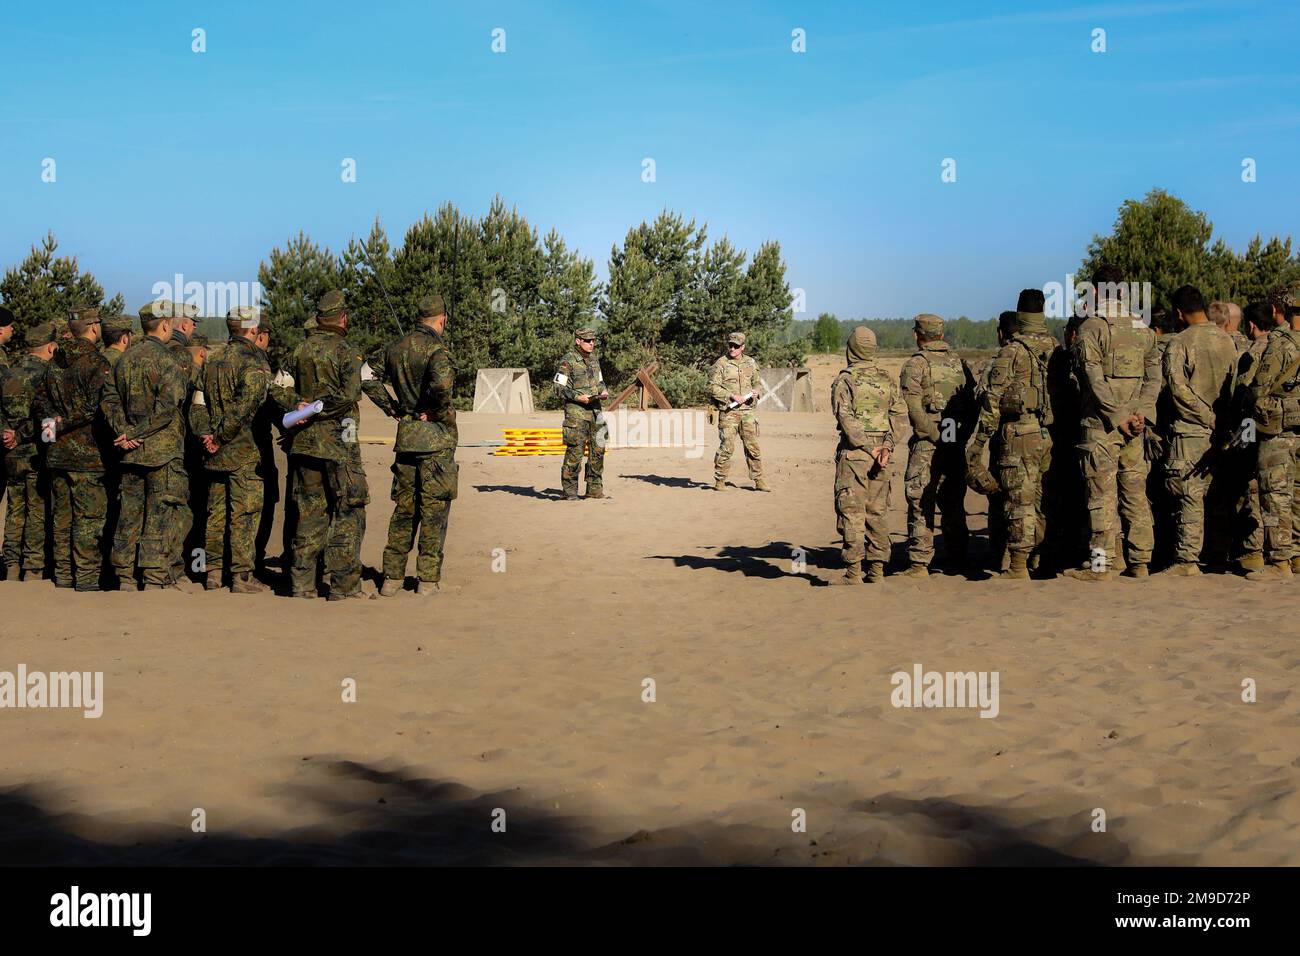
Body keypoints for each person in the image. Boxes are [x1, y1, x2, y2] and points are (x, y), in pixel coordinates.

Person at [1065, 264, 1160, 580]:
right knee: (1134, 492)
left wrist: (1118, 417)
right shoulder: (1142, 329)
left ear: (1094, 292)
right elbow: (1153, 378)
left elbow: (1092, 379)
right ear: (1122, 292)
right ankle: (1140, 561)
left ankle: (1100, 565)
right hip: (1135, 426)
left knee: (1100, 498)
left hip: (1101, 427)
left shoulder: (1092, 328)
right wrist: (1141, 414)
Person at [274, 290, 369, 600]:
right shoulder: (347, 351)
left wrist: (297, 406)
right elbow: (350, 394)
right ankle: (343, 585)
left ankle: (302, 584)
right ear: (342, 318)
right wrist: (317, 408)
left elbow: (276, 388)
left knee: (309, 514)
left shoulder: (298, 350)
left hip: (304, 444)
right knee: (348, 512)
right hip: (340, 442)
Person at [364, 293, 457, 596]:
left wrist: (391, 407)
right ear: (441, 320)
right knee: (433, 510)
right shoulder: (437, 350)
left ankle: (391, 577)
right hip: (435, 440)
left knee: (404, 509)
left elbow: (366, 376)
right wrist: (438, 414)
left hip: (406, 439)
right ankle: (427, 580)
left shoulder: (395, 348)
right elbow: (442, 386)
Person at [966, 290, 1061, 579]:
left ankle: (1018, 565)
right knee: (1042, 499)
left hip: (1019, 433)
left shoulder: (1012, 351)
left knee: (1019, 500)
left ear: (1020, 314)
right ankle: (1040, 559)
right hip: (1049, 434)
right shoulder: (1057, 347)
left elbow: (992, 401)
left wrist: (978, 444)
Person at [102, 301, 190, 590]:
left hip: (130, 452)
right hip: (161, 452)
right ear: (165, 325)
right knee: (159, 514)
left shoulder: (124, 359)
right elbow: (167, 409)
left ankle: (124, 574)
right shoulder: (168, 361)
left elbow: (109, 400)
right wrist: (136, 432)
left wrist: (125, 432)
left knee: (128, 513)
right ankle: (152, 576)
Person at [1159, 286, 1237, 575]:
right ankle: (1217, 555)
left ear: (1179, 313)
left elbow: (1178, 389)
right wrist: (1222, 420)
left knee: (1189, 494)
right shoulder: (1227, 340)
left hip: (1191, 431)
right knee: (1217, 493)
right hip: (1224, 430)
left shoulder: (1180, 342)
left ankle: (1186, 560)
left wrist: (1205, 417)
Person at [194, 307, 272, 594]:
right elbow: (244, 407)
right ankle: (241, 576)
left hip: (214, 453)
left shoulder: (212, 361)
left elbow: (198, 403)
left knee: (214, 513)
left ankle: (212, 572)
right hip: (241, 451)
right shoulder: (252, 363)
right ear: (252, 330)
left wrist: (205, 434)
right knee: (245, 513)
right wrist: (220, 436)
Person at [39, 307, 111, 590]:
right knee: (89, 520)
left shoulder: (53, 363)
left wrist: (53, 426)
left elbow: (40, 403)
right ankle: (86, 578)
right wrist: (65, 422)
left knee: (62, 518)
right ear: (93, 327)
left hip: (57, 453)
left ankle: (63, 576)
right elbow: (95, 408)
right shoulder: (96, 362)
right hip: (88, 456)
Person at [898, 313, 973, 575]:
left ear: (917, 336)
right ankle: (957, 555)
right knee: (952, 499)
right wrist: (959, 436)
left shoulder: (915, 365)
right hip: (954, 439)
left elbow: (914, 411)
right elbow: (973, 404)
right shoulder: (959, 363)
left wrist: (933, 434)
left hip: (928, 443)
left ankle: (919, 562)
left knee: (920, 498)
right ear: (941, 335)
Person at [831, 326, 907, 584]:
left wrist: (867, 446)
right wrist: (886, 445)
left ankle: (853, 573)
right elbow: (899, 416)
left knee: (852, 511)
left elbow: (845, 418)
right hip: (882, 455)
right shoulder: (887, 379)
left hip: (856, 455)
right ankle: (877, 571)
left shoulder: (846, 380)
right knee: (878, 512)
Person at [1245, 285, 1300, 579]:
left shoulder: (1279, 345)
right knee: (1296, 495)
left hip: (1277, 431)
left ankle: (1279, 561)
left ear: (1278, 311)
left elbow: (1258, 388)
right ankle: (1297, 556)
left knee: (1273, 497)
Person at [1, 322, 58, 581]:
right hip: (36, 452)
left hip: (11, 453)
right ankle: (33, 566)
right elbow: (47, 422)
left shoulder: (9, 374)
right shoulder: (48, 375)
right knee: (37, 508)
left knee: (14, 508)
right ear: (51, 346)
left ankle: (11, 563)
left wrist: (7, 434)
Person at [553, 328, 609, 500]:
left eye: (593, 340)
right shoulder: (567, 361)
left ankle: (594, 490)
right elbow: (558, 388)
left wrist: (603, 389)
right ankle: (569, 492)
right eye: (587, 340)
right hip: (576, 414)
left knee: (598, 451)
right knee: (575, 453)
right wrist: (579, 397)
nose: (591, 343)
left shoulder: (594, 360)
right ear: (578, 341)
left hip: (595, 412)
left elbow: (599, 381)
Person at [708, 332, 767, 491]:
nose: (732, 349)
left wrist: (756, 391)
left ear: (743, 347)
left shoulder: (750, 362)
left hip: (747, 412)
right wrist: (731, 396)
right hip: (728, 413)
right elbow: (712, 387)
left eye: (736, 346)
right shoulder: (721, 363)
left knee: (752, 446)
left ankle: (759, 480)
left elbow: (757, 382)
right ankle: (720, 481)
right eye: (730, 345)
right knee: (727, 446)